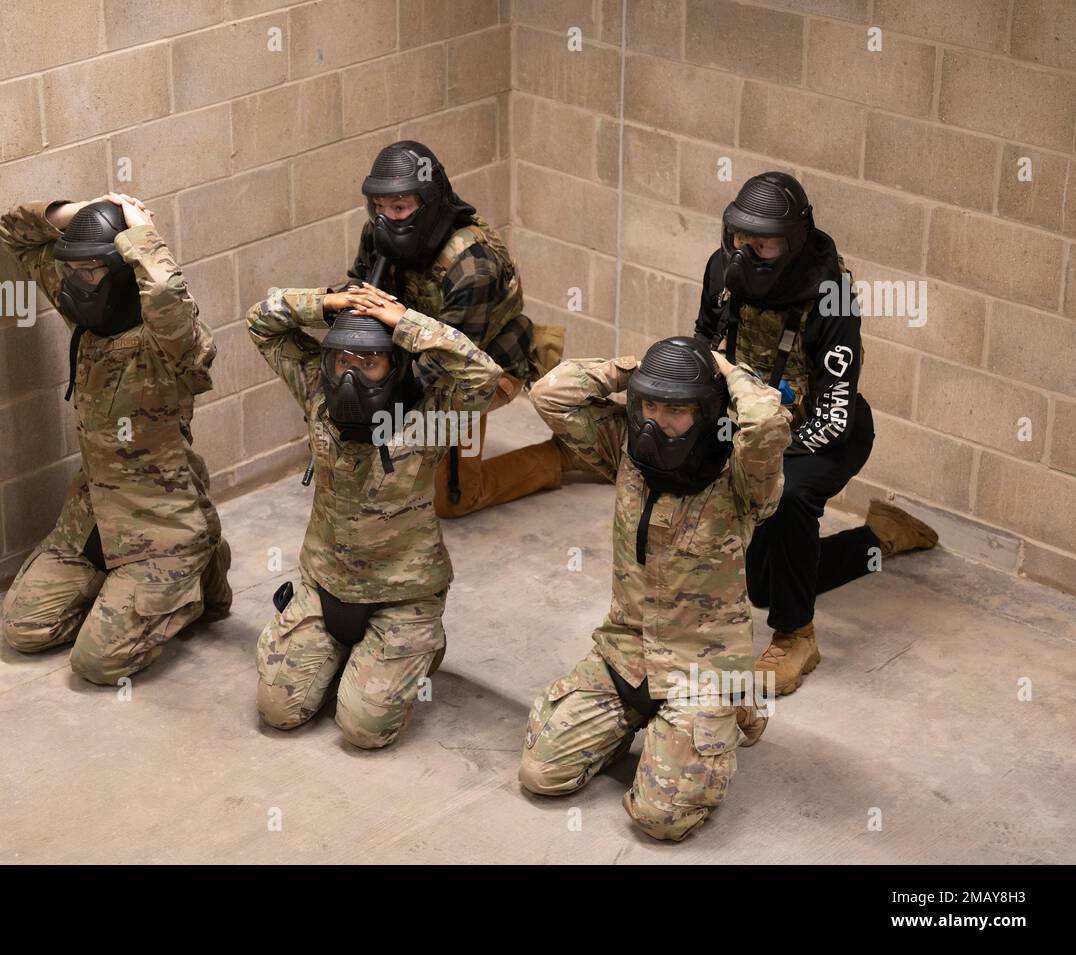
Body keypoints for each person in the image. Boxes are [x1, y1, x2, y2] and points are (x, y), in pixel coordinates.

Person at [519, 336, 791, 841]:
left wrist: (728, 373)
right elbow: (549, 393)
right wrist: (635, 370)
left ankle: (731, 707)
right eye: (649, 404)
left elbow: (768, 425)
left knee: (661, 820)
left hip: (701, 665)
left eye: (678, 410)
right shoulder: (626, 448)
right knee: (541, 774)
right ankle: (646, 720)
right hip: (624, 650)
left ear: (710, 412)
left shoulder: (741, 475)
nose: (657, 421)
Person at [694, 172, 937, 695]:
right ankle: (879, 537)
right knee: (763, 584)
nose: (747, 251)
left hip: (828, 429)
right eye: (740, 237)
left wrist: (765, 459)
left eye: (764, 242)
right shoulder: (722, 270)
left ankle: (796, 636)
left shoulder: (832, 293)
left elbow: (835, 401)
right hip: (752, 424)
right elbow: (704, 343)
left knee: (788, 497)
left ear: (795, 240)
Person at [247, 267, 501, 748]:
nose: (351, 376)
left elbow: (482, 374)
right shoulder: (319, 397)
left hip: (401, 595)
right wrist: (326, 303)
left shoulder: (429, 424)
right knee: (279, 712)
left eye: (370, 363)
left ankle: (418, 645)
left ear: (396, 367)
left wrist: (405, 322)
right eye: (343, 361)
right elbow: (260, 321)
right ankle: (341, 651)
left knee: (364, 732)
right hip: (326, 584)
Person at [0, 193, 231, 685]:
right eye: (73, 269)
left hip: (160, 529)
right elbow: (16, 234)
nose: (79, 281)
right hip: (93, 519)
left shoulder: (170, 347)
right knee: (26, 629)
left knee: (98, 665)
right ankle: (124, 590)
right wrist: (82, 209)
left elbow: (170, 302)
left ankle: (197, 570)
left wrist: (142, 235)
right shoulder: (86, 325)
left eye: (93, 270)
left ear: (126, 270)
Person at [332, 139, 584, 518]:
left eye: (399, 208)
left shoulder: (471, 264)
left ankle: (565, 456)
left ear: (429, 203)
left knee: (453, 500)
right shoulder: (378, 233)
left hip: (482, 366)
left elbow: (453, 361)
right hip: (415, 348)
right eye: (379, 207)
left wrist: (387, 405)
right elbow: (359, 291)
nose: (386, 218)